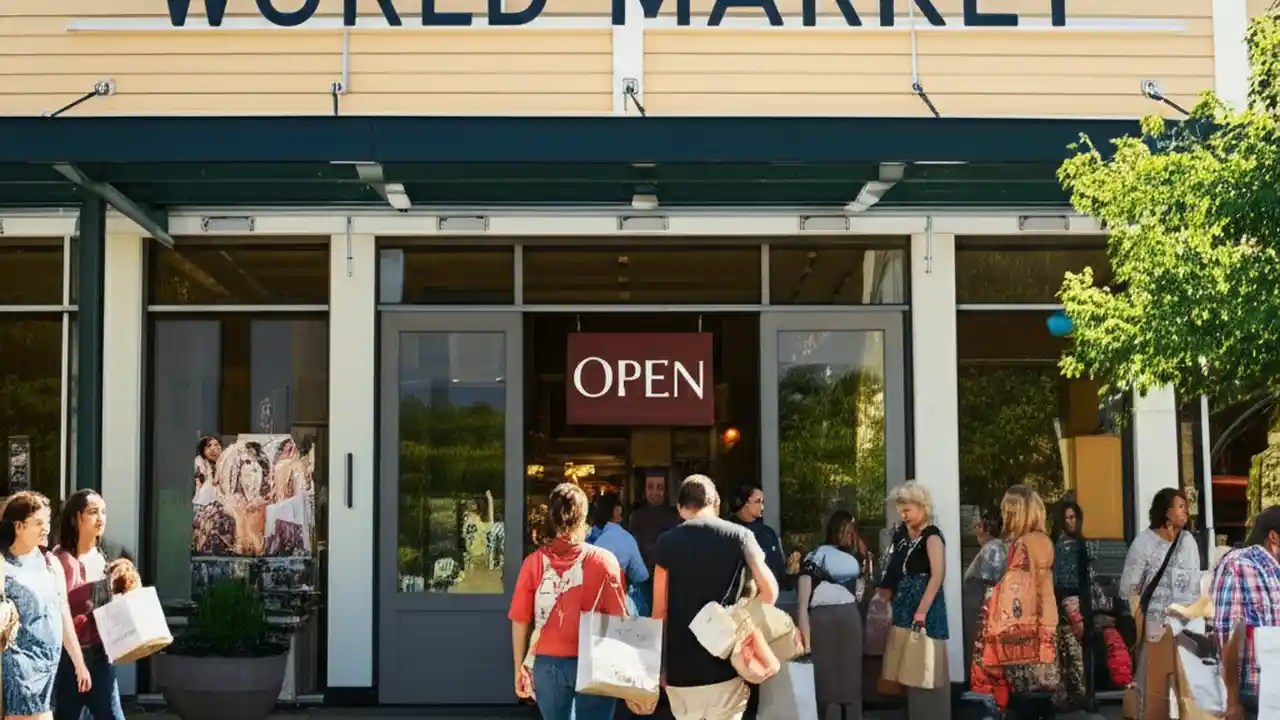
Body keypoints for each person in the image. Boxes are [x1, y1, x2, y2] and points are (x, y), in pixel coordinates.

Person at [653, 475, 779, 720]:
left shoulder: (666, 543)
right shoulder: (739, 536)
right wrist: (743, 619)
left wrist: (659, 666)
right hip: (726, 663)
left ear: (680, 507)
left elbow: (660, 610)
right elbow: (770, 592)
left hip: (680, 671)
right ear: (716, 503)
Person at [508, 483, 627, 720]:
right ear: (585, 517)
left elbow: (520, 620)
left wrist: (518, 670)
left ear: (551, 516)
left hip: (547, 663)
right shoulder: (604, 561)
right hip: (596, 661)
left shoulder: (533, 563)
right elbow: (619, 623)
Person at [1, 491, 91, 720]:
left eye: (47, 522)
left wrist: (79, 663)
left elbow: (62, 612)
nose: (46, 529)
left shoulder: (50, 562)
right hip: (18, 664)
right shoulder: (4, 566)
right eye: (39, 523)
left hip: (49, 664)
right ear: (18, 526)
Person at [969, 485, 1058, 714]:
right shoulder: (1040, 541)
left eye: (1006, 510)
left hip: (1017, 632)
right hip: (1038, 627)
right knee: (1035, 696)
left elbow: (989, 582)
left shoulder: (1020, 545)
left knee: (1020, 699)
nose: (1003, 515)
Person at [1118, 488, 1201, 720]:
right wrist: (1137, 625)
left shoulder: (1189, 542)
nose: (1186, 511)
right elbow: (1129, 589)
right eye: (1180, 506)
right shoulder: (1144, 543)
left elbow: (1194, 584)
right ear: (1166, 512)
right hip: (1155, 625)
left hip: (1185, 625)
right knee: (1153, 685)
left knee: (1185, 685)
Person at [51, 490, 131, 720]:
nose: (101, 518)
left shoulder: (110, 557)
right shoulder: (59, 560)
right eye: (93, 512)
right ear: (76, 518)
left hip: (101, 655)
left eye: (104, 512)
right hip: (67, 658)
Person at [877, 481, 949, 719]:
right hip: (904, 604)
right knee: (903, 664)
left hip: (923, 604)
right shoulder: (903, 537)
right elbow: (895, 568)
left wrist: (922, 611)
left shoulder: (932, 536)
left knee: (922, 662)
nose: (903, 515)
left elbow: (937, 575)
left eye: (907, 509)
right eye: (901, 510)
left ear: (921, 506)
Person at [1210, 505, 1280, 720]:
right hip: (1255, 698)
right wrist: (1232, 701)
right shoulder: (1239, 564)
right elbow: (1228, 633)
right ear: (1274, 537)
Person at [797, 510, 864, 720]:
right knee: (830, 679)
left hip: (839, 615)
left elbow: (803, 603)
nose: (849, 534)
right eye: (846, 529)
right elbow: (803, 603)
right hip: (830, 617)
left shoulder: (851, 558)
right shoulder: (817, 556)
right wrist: (805, 638)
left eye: (852, 530)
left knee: (842, 678)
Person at [1049, 500, 1110, 711]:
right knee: (1076, 656)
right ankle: (1080, 698)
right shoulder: (1068, 545)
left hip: (1071, 605)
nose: (1072, 521)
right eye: (1067, 517)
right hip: (1073, 606)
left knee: (1070, 655)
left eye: (1074, 517)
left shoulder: (1068, 543)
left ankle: (1073, 697)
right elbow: (1067, 583)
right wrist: (1075, 614)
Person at [587, 493, 649, 615]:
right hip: (618, 603)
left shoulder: (587, 538)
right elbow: (641, 575)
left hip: (590, 605)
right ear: (617, 512)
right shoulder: (625, 538)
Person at [962, 510, 1007, 677]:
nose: (975, 530)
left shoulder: (992, 548)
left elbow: (990, 578)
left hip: (985, 604)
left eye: (978, 525)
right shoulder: (995, 547)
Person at [727, 484, 785, 585]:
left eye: (762, 502)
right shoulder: (728, 532)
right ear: (744, 503)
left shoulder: (768, 533)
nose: (762, 507)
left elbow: (779, 568)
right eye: (757, 501)